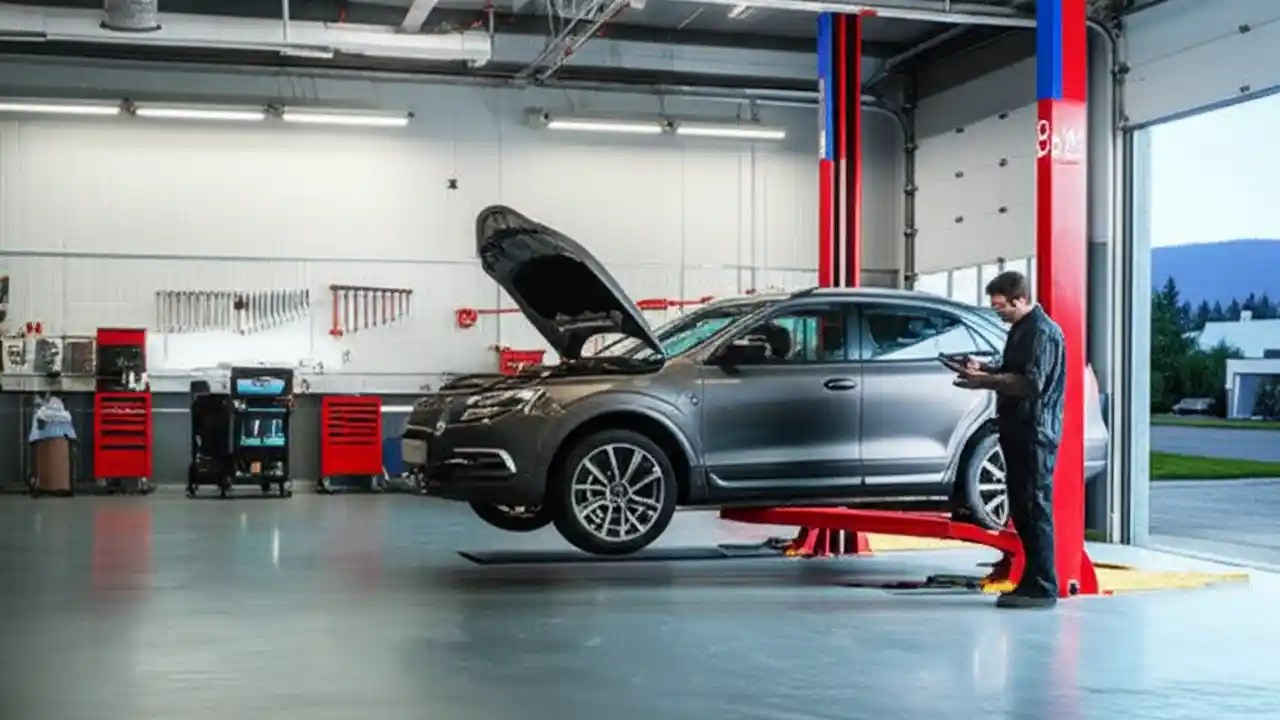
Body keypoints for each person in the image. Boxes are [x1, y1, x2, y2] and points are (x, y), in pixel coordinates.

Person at [952, 270, 1067, 609]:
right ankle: (1033, 581)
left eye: (1001, 306)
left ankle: (1043, 586)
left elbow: (1031, 383)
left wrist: (983, 382)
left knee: (1035, 508)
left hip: (1035, 432)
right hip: (1020, 430)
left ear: (1020, 300)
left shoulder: (1042, 333)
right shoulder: (1022, 329)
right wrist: (983, 369)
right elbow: (1014, 370)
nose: (997, 312)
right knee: (1023, 508)